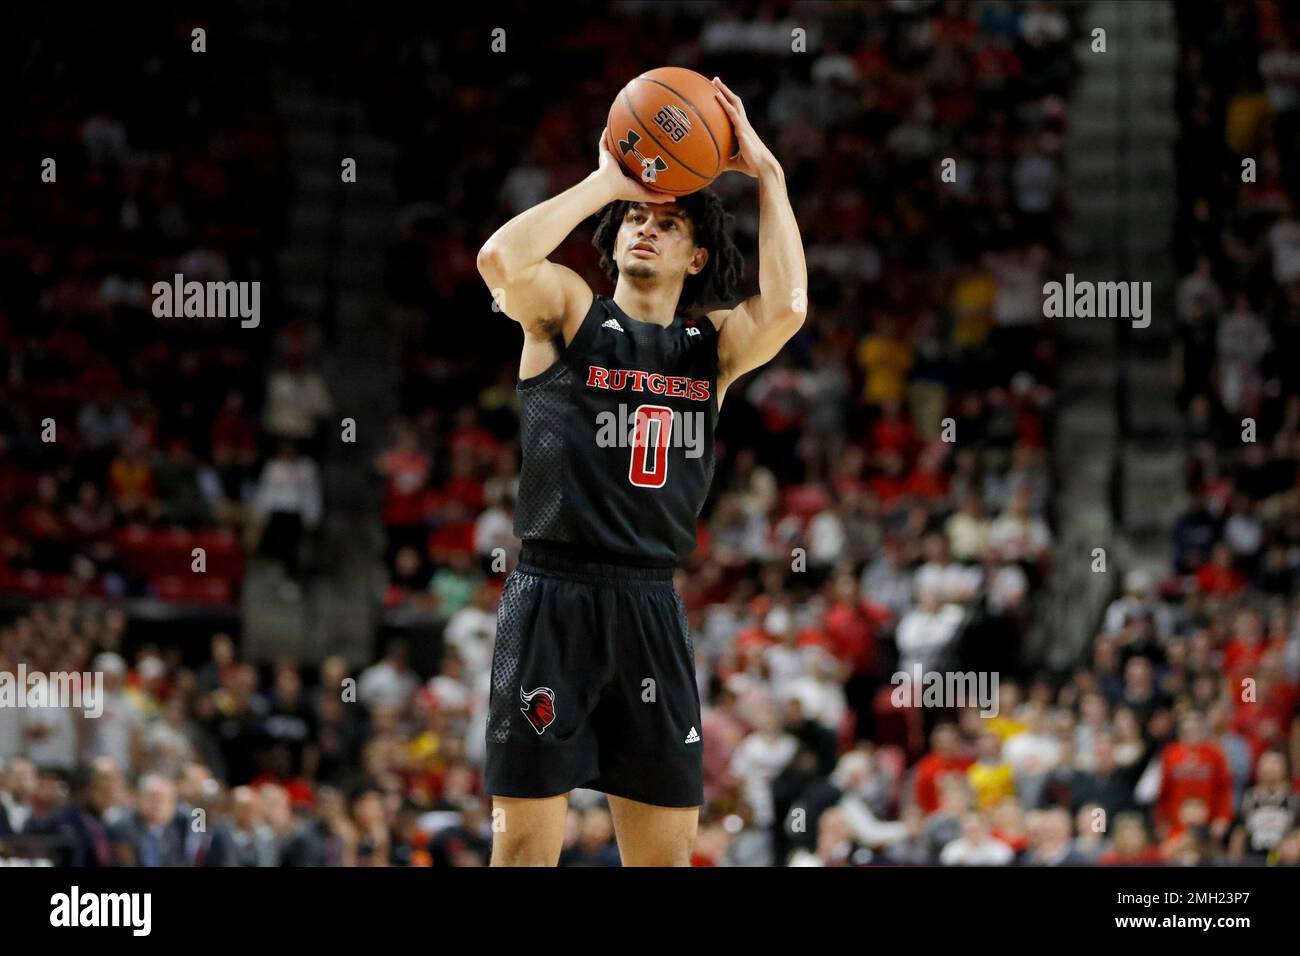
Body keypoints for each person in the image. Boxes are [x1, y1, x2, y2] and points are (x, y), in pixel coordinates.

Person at [475, 76, 807, 866]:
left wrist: (770, 174)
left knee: (666, 853)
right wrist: (605, 181)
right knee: (523, 848)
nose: (645, 229)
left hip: (650, 604)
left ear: (698, 255)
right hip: (552, 594)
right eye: (635, 219)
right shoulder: (568, 311)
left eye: (666, 222)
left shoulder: (710, 350)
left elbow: (788, 305)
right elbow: (499, 258)